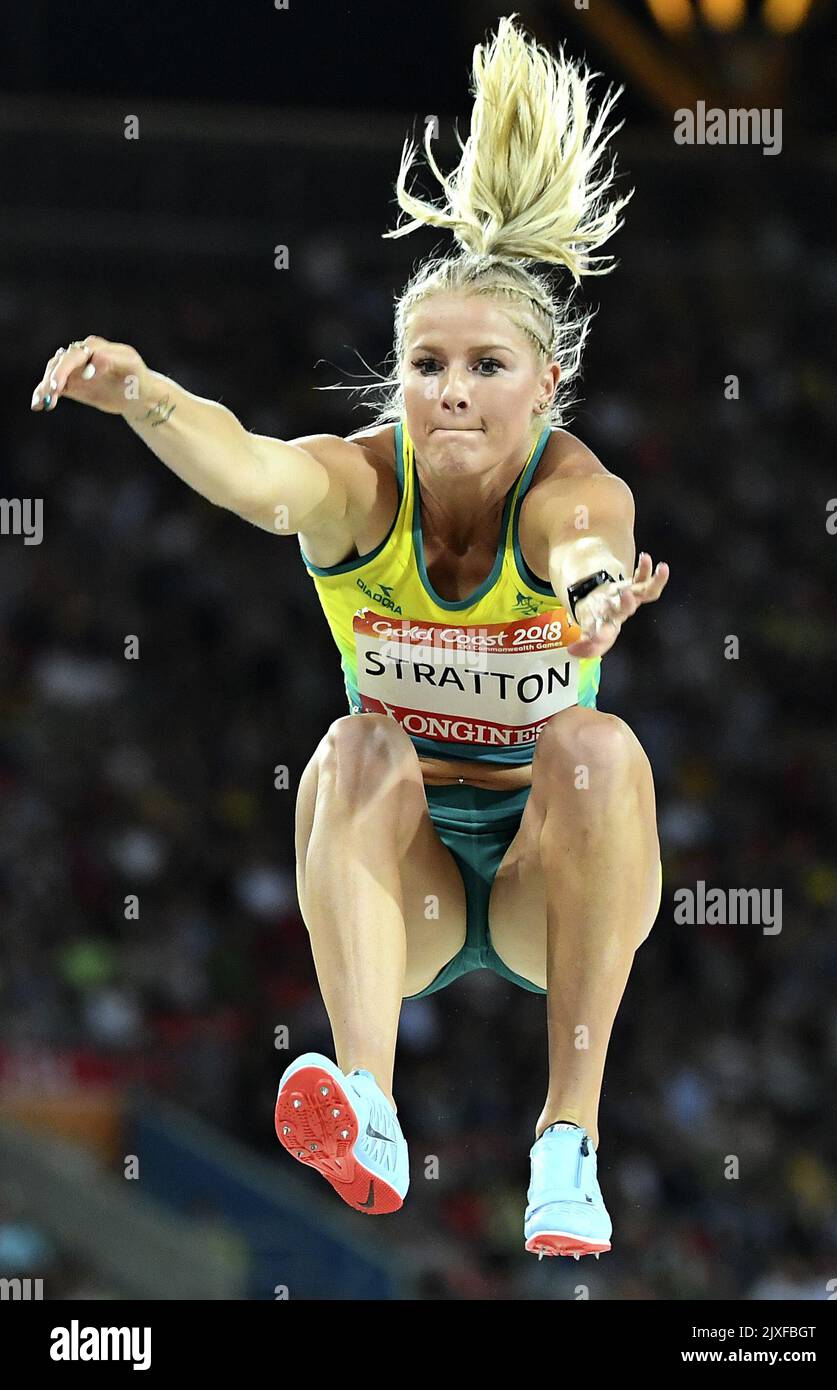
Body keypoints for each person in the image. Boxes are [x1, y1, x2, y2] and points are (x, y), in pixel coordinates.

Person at [30, 14, 669, 1260]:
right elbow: (249, 468)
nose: (451, 389)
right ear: (397, 375)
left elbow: (590, 543)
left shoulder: (569, 488)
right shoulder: (361, 489)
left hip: (556, 886)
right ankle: (367, 1102)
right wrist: (146, 394)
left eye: (486, 366)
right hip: (409, 889)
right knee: (353, 747)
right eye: (425, 362)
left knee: (595, 743)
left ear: (543, 388)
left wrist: (592, 599)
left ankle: (567, 1143)